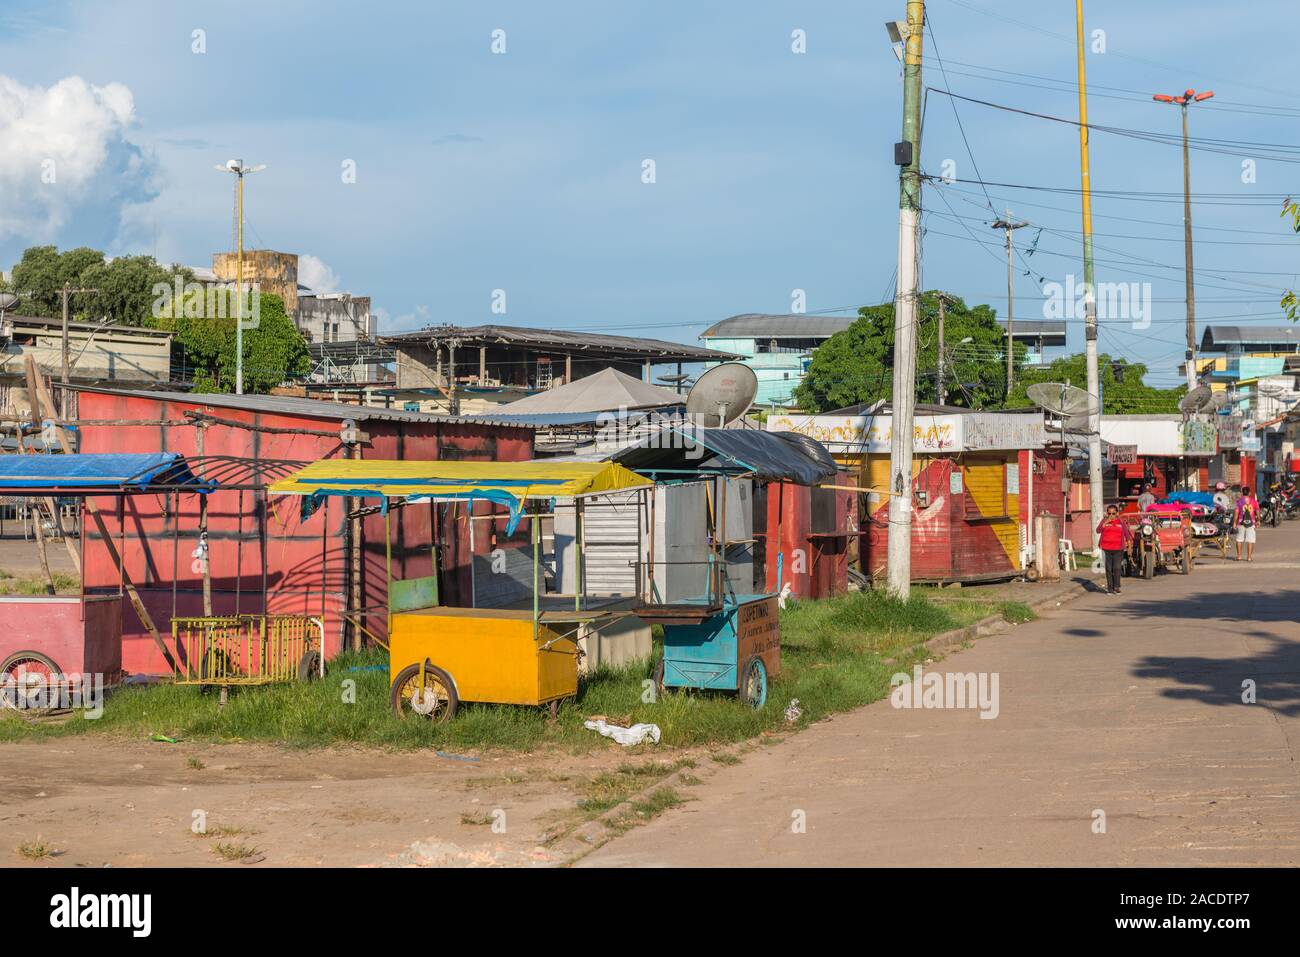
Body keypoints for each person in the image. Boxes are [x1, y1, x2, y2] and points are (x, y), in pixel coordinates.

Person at [1097, 503, 1133, 595]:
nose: (1111, 516)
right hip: (1106, 548)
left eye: (1113, 513)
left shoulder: (1121, 522)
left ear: (1117, 513)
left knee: (1116, 568)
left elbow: (1127, 534)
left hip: (1118, 548)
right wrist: (1106, 522)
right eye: (1109, 513)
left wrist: (1129, 546)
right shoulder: (1104, 521)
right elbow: (1098, 530)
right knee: (1109, 568)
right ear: (1107, 513)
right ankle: (1110, 588)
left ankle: (1116, 587)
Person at [1234, 484, 1258, 562]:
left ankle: (1239, 556)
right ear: (1249, 493)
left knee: (1239, 539)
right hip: (1251, 523)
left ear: (1242, 493)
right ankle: (1249, 557)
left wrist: (1234, 522)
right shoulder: (1254, 501)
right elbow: (1257, 511)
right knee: (1250, 540)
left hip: (1241, 522)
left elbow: (1236, 512)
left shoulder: (1239, 502)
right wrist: (1258, 520)